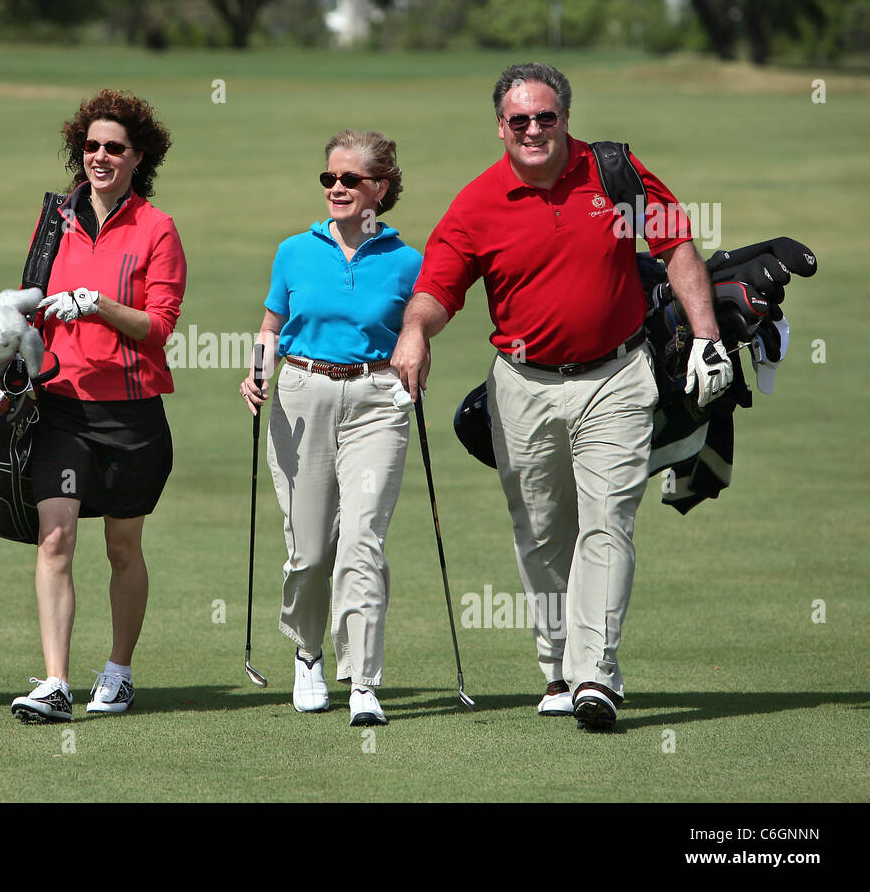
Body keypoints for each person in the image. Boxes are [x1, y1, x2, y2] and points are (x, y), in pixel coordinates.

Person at [391, 63, 732, 731]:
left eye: (545, 117)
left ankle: (595, 674)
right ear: (500, 127)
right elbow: (439, 287)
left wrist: (706, 338)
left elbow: (677, 245)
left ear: (565, 119)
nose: (533, 129)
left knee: (608, 522)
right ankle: (556, 664)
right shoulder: (477, 203)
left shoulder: (614, 172)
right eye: (519, 120)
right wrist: (414, 332)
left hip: (618, 376)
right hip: (522, 386)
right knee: (545, 534)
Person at [10, 90, 186, 723]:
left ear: (139, 157)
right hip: (61, 407)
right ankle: (55, 681)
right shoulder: (55, 220)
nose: (101, 157)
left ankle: (118, 670)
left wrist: (99, 306)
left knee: (121, 549)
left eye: (114, 147)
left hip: (132, 412)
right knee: (54, 539)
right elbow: (27, 301)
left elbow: (158, 326)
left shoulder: (156, 228)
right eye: (91, 147)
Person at [240, 130, 421, 727]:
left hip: (377, 398)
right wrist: (257, 370)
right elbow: (272, 326)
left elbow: (417, 333)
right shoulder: (295, 251)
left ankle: (363, 680)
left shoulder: (407, 261)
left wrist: (413, 365)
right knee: (310, 550)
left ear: (381, 188)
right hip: (301, 393)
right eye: (329, 179)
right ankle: (308, 652)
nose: (337, 188)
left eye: (350, 180)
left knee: (362, 539)